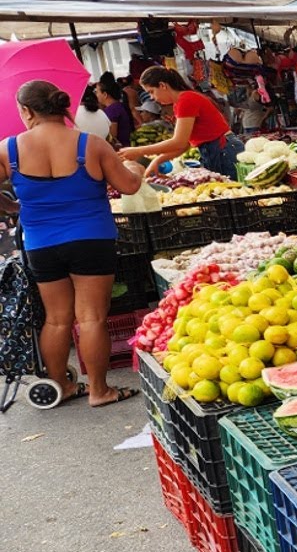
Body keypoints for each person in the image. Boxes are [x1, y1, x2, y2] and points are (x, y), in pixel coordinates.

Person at [0, 80, 145, 407]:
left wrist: (9, 206)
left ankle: (61, 387)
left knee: (56, 318)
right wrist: (135, 169)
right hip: (92, 238)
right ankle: (99, 390)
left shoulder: (7, 149)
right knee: (91, 317)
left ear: (26, 110)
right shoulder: (90, 145)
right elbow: (129, 186)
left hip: (41, 244)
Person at [118, 67, 244, 177]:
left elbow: (179, 142)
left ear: (162, 86)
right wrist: (158, 160)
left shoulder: (186, 100)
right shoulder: (181, 102)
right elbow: (184, 145)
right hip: (216, 150)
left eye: (151, 91)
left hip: (223, 150)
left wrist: (139, 151)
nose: (152, 97)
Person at [96, 78, 133, 147]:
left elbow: (112, 135)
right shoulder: (118, 106)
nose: (96, 95)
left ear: (105, 94)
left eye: (97, 92)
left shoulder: (112, 110)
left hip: (122, 148)